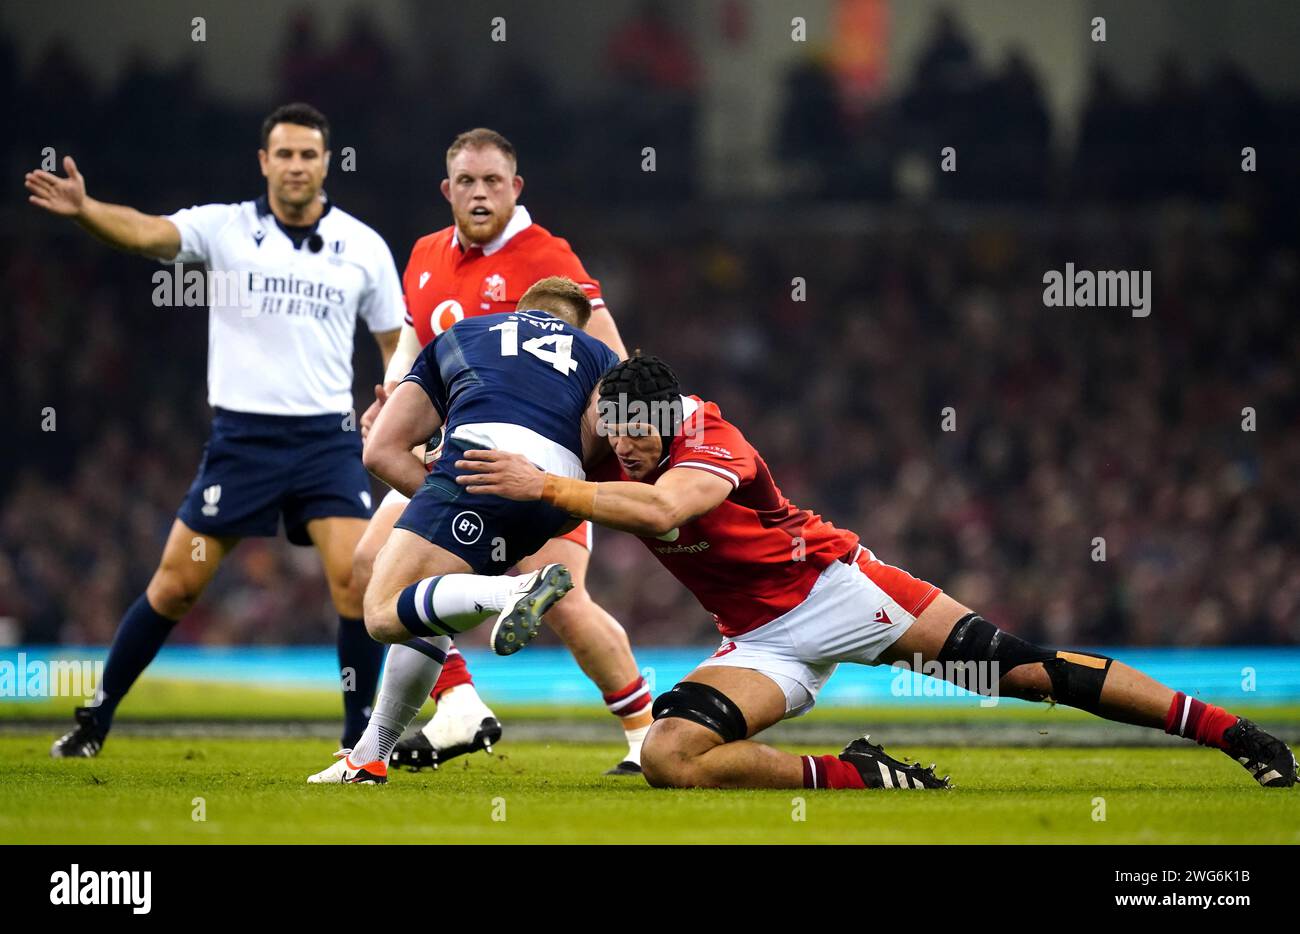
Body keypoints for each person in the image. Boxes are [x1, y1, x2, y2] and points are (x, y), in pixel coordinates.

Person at [453, 355, 1299, 791]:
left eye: (637, 436)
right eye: (615, 434)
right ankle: (862, 773)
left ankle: (1234, 733)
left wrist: (555, 486)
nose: (625, 450)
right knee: (670, 759)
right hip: (759, 642)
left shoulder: (712, 441)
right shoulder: (618, 426)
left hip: (847, 596)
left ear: (666, 416)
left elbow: (666, 511)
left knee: (1027, 672)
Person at [26, 103, 404, 756]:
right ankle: (98, 714)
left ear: (327, 162)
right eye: (283, 154)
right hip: (244, 443)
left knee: (358, 580)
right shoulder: (223, 229)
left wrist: (395, 392)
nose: (295, 165)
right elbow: (146, 235)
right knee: (175, 587)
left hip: (327, 442)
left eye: (307, 154)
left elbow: (397, 340)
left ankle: (357, 739)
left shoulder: (363, 246)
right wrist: (87, 210)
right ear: (263, 162)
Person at [355, 128, 650, 775]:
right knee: (369, 562)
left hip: (537, 463)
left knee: (563, 601)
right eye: (467, 181)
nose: (480, 192)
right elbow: (412, 348)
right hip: (449, 457)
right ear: (448, 189)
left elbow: (614, 369)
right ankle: (457, 700)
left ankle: (642, 735)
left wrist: (584, 471)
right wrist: (392, 401)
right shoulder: (425, 256)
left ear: (516, 189)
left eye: (493, 181)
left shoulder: (549, 257)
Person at [309, 277, 619, 784]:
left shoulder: (467, 331)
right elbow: (604, 458)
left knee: (384, 613)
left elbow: (380, 450)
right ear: (575, 326)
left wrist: (439, 490)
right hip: (546, 493)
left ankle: (513, 590)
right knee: (430, 609)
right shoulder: (601, 359)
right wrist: (554, 503)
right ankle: (370, 757)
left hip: (476, 463)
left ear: (520, 310)